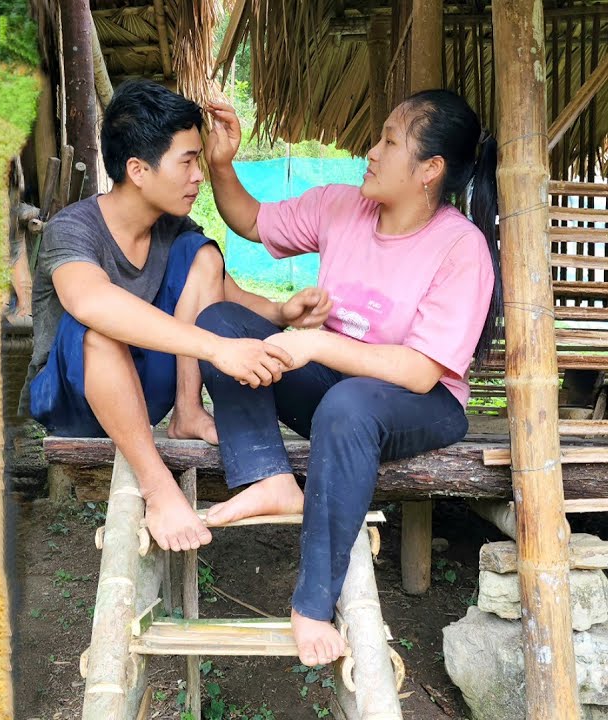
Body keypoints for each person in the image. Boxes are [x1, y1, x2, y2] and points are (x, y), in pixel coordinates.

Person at [198, 89, 502, 666]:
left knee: (350, 406)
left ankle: (314, 602)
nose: (371, 151)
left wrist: (314, 341)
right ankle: (267, 475)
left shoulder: (461, 247)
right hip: (339, 387)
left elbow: (418, 370)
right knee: (220, 325)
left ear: (430, 170)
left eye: (389, 141)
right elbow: (251, 220)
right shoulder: (342, 206)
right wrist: (220, 162)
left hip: (423, 399)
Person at [23, 79, 331, 552]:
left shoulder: (173, 229)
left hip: (145, 388)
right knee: (98, 328)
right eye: (187, 161)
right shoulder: (73, 229)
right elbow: (90, 303)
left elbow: (220, 286)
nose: (199, 176)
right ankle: (158, 488)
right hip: (73, 397)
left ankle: (187, 412)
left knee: (202, 253)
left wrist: (279, 310)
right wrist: (217, 348)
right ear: (139, 170)